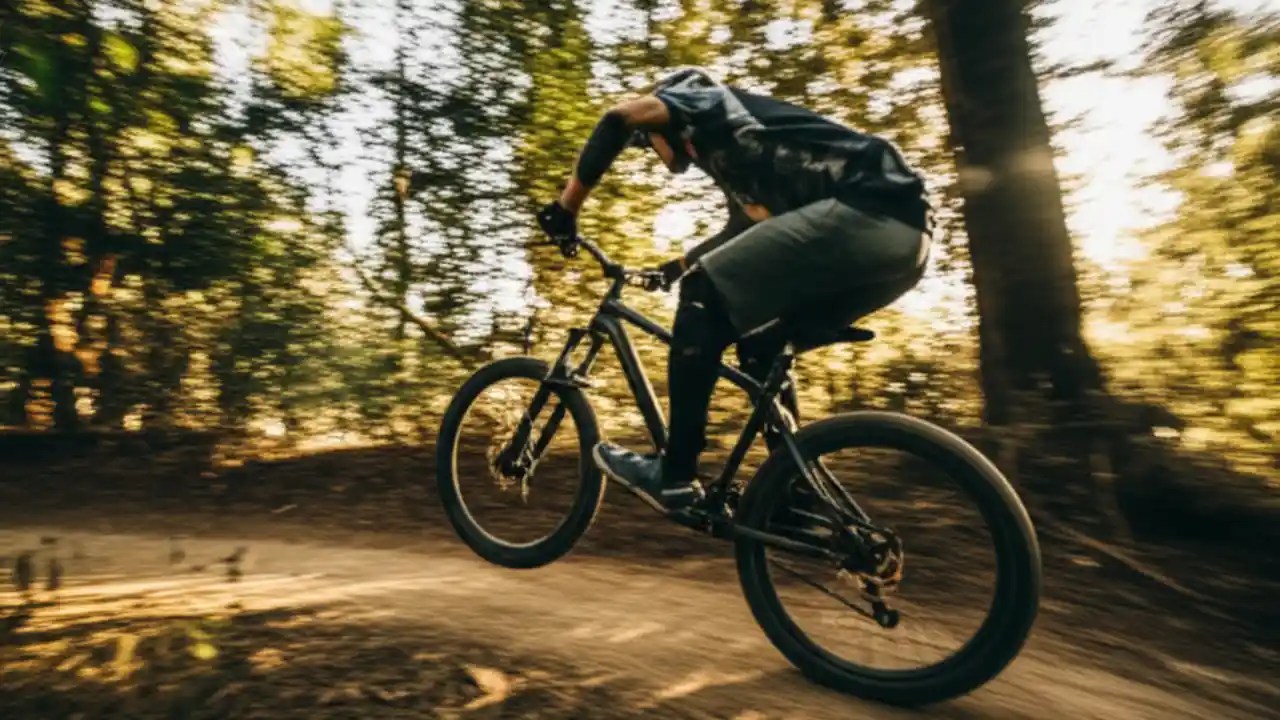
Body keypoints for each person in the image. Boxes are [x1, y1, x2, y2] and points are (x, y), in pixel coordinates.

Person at [537, 67, 931, 511]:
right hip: (905, 244)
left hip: (868, 209)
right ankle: (793, 494)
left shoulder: (698, 98)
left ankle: (675, 475)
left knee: (701, 294)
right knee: (759, 343)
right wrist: (674, 267)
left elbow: (618, 118)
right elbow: (743, 227)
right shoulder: (736, 156)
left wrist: (567, 207)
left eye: (650, 143)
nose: (654, 152)